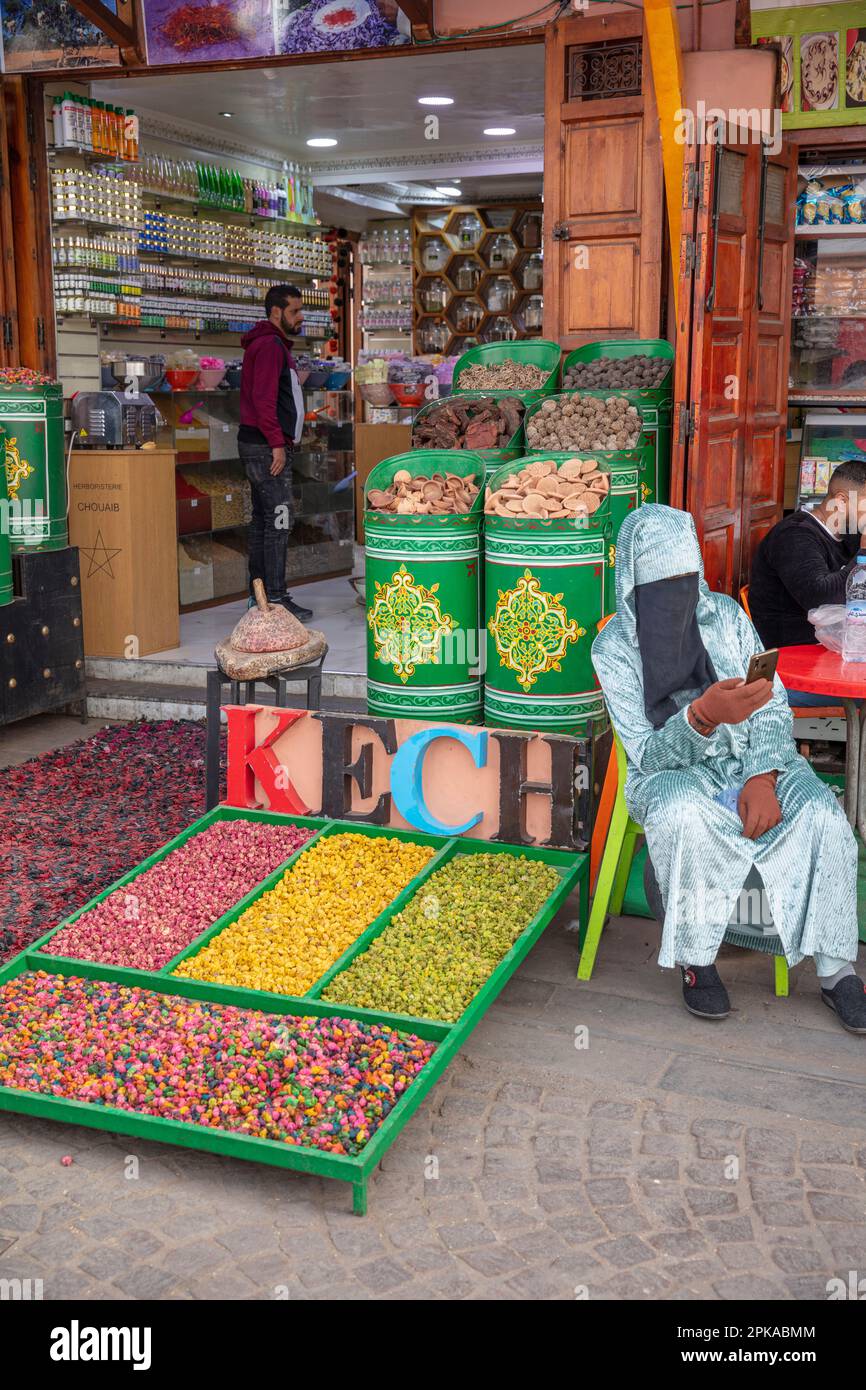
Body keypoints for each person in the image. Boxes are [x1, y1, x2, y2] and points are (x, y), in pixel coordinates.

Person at [592, 505, 865, 1031]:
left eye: (686, 582)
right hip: (673, 774)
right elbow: (645, 755)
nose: (676, 597)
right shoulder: (615, 649)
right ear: (632, 583)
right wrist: (701, 717)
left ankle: (838, 972)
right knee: (685, 818)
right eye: (660, 588)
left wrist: (762, 777)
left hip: (757, 760)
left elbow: (771, 702)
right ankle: (698, 963)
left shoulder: (724, 616)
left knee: (823, 818)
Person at [238, 285, 312, 620]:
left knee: (264, 520)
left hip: (258, 443)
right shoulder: (269, 345)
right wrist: (276, 444)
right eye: (294, 311)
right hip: (265, 446)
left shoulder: (271, 344)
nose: (300, 317)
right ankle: (277, 598)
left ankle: (260, 597)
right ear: (276, 312)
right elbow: (263, 400)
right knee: (279, 519)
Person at [749, 459, 866, 651]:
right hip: (793, 650)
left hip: (836, 643)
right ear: (842, 501)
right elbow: (821, 598)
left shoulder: (848, 534)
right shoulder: (794, 535)